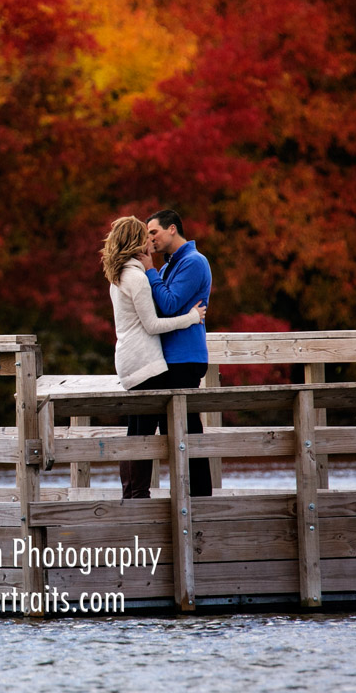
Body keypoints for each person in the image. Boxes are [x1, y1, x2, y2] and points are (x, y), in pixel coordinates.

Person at [100, 216, 207, 499]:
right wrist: (191, 318)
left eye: (153, 233)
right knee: (147, 431)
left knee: (137, 428)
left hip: (129, 359)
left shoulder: (119, 274)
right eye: (146, 235)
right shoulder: (137, 276)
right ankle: (140, 496)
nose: (151, 240)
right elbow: (153, 324)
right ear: (136, 242)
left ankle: (132, 494)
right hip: (145, 361)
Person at [139, 208, 213, 497]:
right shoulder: (171, 265)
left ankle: (198, 497)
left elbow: (168, 305)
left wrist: (149, 271)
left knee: (186, 429)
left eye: (153, 232)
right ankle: (184, 495)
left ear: (172, 229)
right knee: (175, 429)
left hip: (185, 358)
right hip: (170, 358)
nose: (150, 240)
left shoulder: (193, 262)